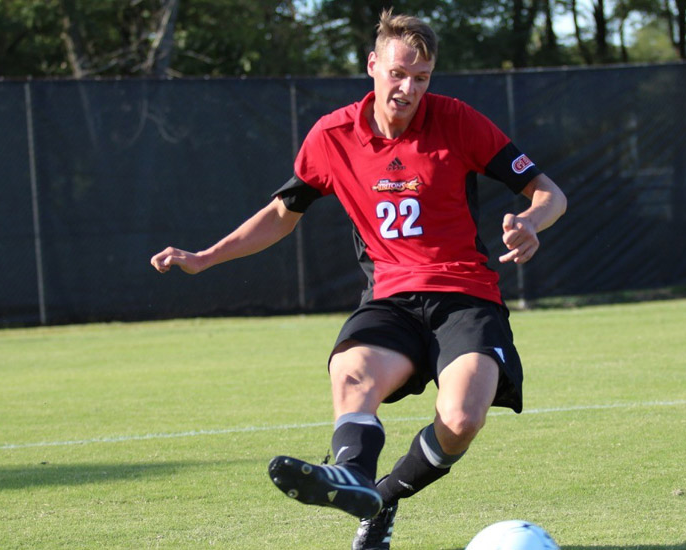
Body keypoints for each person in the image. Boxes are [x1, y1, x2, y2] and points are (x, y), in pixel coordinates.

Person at [151, 9, 567, 550]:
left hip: (465, 297)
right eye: (398, 73)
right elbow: (283, 211)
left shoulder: (458, 120)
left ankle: (383, 497)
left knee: (463, 419)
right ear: (373, 66)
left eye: (421, 78)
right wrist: (206, 256)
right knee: (351, 371)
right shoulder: (332, 135)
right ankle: (350, 475)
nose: (408, 87)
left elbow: (549, 192)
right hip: (391, 297)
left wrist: (530, 222)